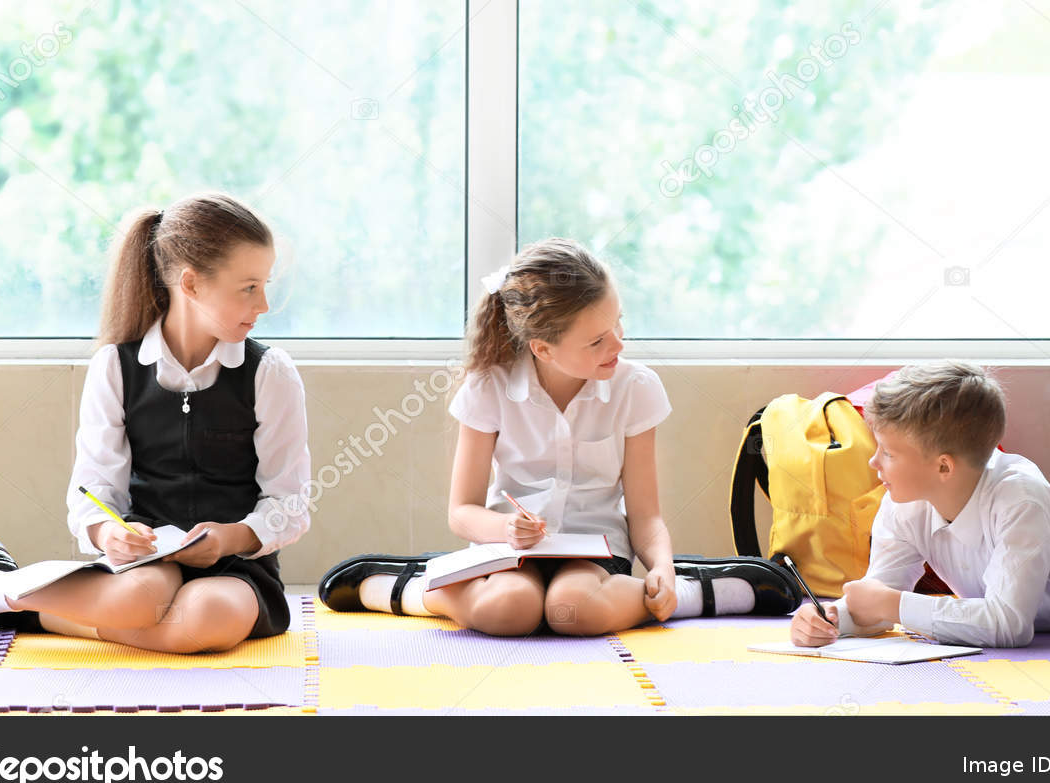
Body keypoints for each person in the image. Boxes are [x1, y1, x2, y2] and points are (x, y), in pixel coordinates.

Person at [0, 194, 312, 653]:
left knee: (206, 618)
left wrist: (232, 537)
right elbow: (92, 492)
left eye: (264, 285)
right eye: (248, 287)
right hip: (147, 563)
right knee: (140, 598)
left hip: (237, 567)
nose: (263, 304)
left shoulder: (270, 372)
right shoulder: (115, 368)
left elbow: (290, 501)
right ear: (191, 284)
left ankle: (2, 599)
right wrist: (109, 533)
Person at [320, 238, 796, 635]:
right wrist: (507, 530)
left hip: (598, 551)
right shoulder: (489, 387)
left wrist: (662, 570)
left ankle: (689, 589)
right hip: (509, 550)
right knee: (510, 611)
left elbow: (646, 516)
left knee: (573, 611)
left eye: (618, 324)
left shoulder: (636, 387)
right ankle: (407, 585)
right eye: (597, 340)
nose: (619, 345)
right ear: (543, 348)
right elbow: (461, 512)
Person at [787, 359, 1050, 649]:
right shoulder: (903, 503)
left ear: (944, 467)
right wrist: (832, 618)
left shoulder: (1020, 500)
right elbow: (878, 600)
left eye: (887, 452)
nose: (874, 462)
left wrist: (892, 604)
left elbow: (1008, 625)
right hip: (1049, 529)